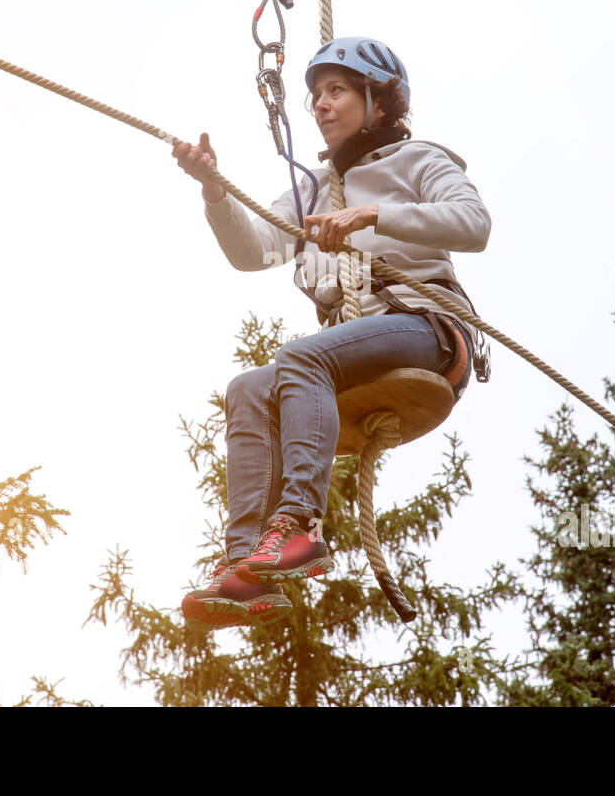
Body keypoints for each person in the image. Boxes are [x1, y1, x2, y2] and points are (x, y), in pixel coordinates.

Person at [171, 36, 491, 630]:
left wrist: (373, 215)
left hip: (425, 329)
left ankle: (297, 526)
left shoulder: (420, 160)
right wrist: (214, 189)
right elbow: (253, 251)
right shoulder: (314, 189)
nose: (319, 105)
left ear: (379, 100)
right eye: (316, 94)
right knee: (248, 387)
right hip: (355, 348)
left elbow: (473, 223)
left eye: (336, 91)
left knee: (300, 359)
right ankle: (245, 567)